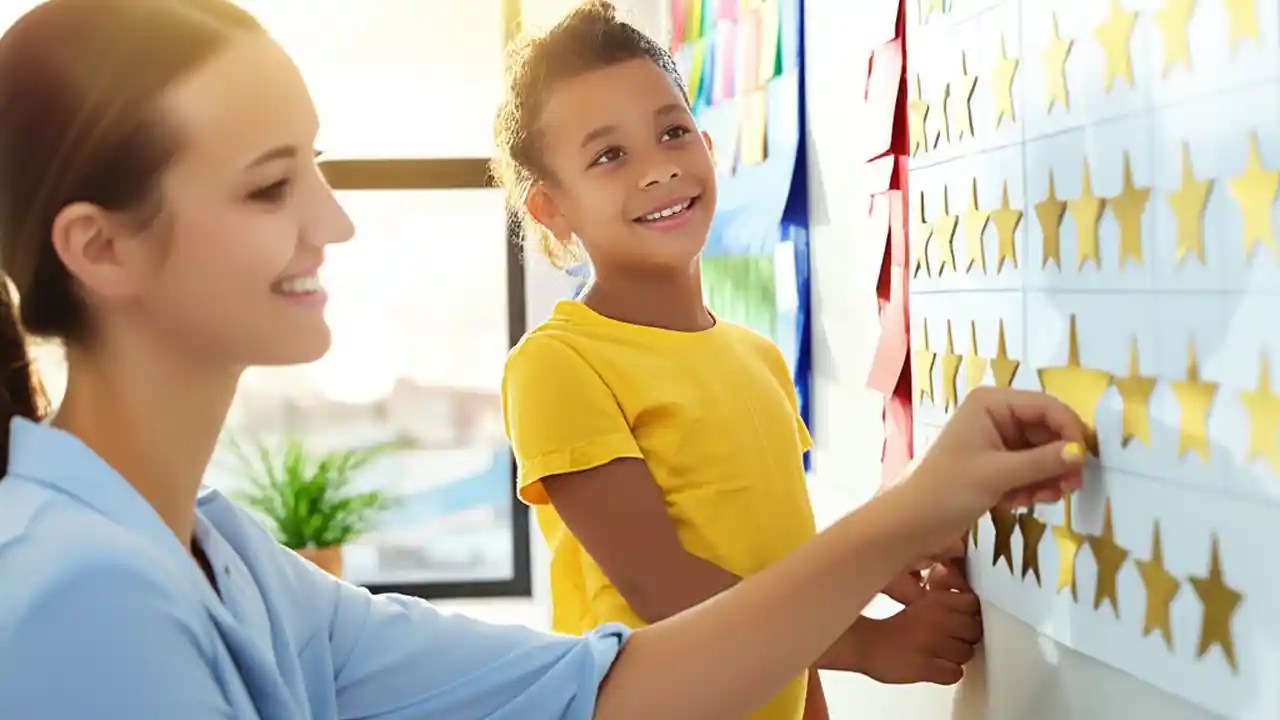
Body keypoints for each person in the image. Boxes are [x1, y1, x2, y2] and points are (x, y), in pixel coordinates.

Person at [0, 2, 1085, 719]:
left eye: (317, 169)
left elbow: (594, 688)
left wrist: (901, 523)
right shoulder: (81, 595)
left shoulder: (225, 552)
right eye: (268, 185)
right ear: (101, 248)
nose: (333, 221)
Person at [496, 4, 979, 717]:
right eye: (609, 155)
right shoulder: (556, 365)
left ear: (708, 144)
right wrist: (869, 644)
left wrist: (873, 566)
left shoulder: (757, 358)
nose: (658, 169)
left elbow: (781, 586)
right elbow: (669, 593)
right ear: (550, 208)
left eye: (671, 131)